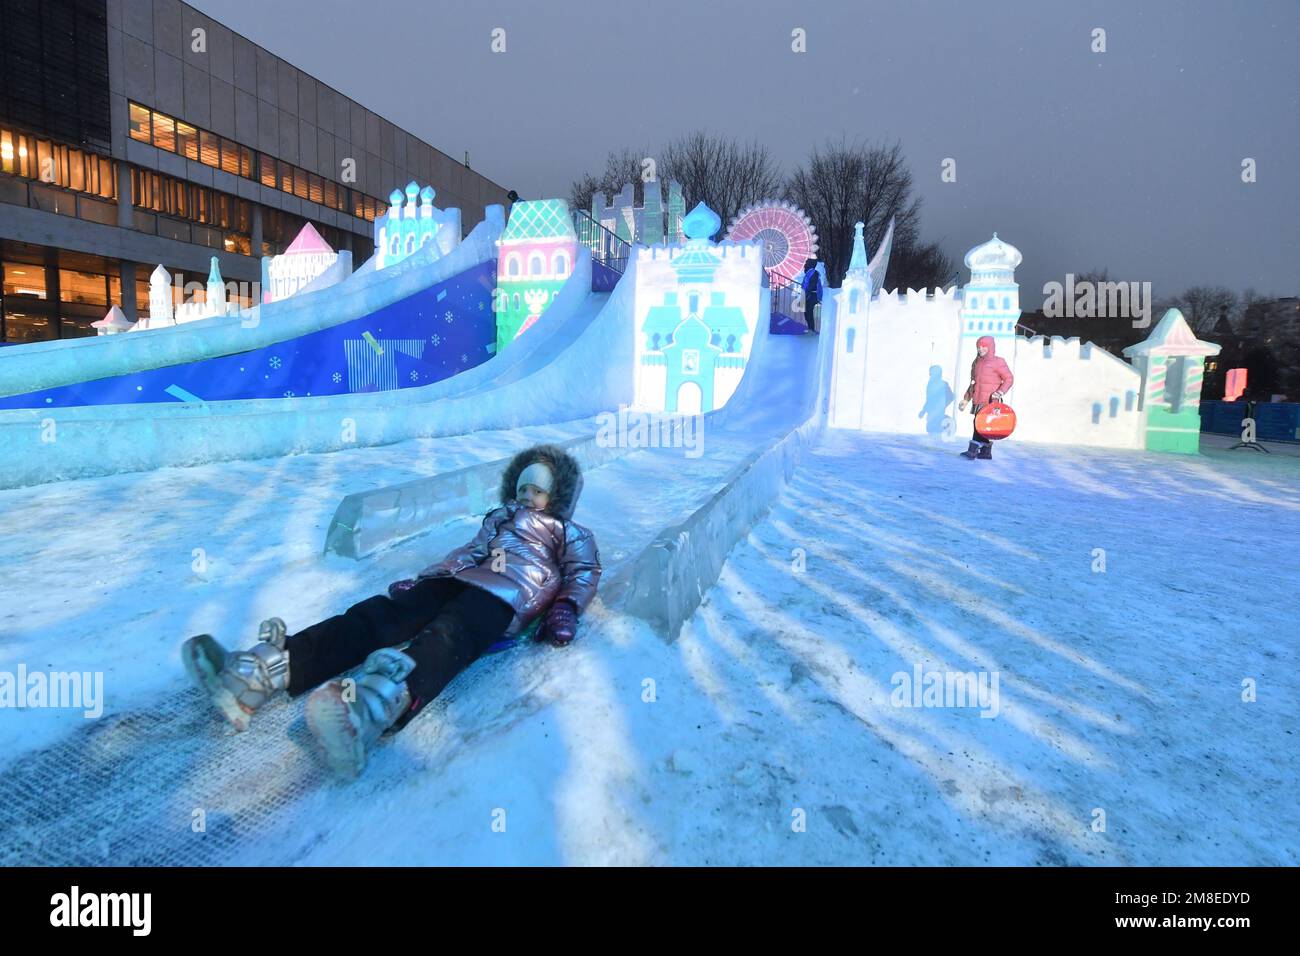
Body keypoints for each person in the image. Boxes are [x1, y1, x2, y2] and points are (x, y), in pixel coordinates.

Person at [182, 443, 601, 777]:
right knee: (379, 615)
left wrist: (565, 607)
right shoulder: (498, 517)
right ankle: (265, 671)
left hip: (507, 596)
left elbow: (584, 572)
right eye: (523, 488)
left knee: (448, 636)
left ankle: (370, 712)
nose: (527, 497)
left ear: (558, 496)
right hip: (459, 580)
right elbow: (471, 551)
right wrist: (427, 578)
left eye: (538, 491)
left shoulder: (569, 533)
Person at [957, 335, 1014, 460]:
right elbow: (973, 382)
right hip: (978, 399)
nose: (980, 349)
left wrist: (1000, 392)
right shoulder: (977, 362)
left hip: (990, 400)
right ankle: (985, 452)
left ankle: (973, 451)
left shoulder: (998, 362)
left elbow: (1009, 378)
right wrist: (966, 399)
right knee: (983, 425)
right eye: (979, 346)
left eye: (984, 346)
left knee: (979, 424)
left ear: (990, 347)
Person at [799, 257, 822, 333]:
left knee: (809, 312)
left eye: (806, 264)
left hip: (812, 295)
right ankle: (810, 328)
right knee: (806, 312)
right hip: (808, 295)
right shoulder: (809, 272)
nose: (804, 265)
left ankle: (811, 329)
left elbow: (811, 285)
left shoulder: (814, 272)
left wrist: (806, 296)